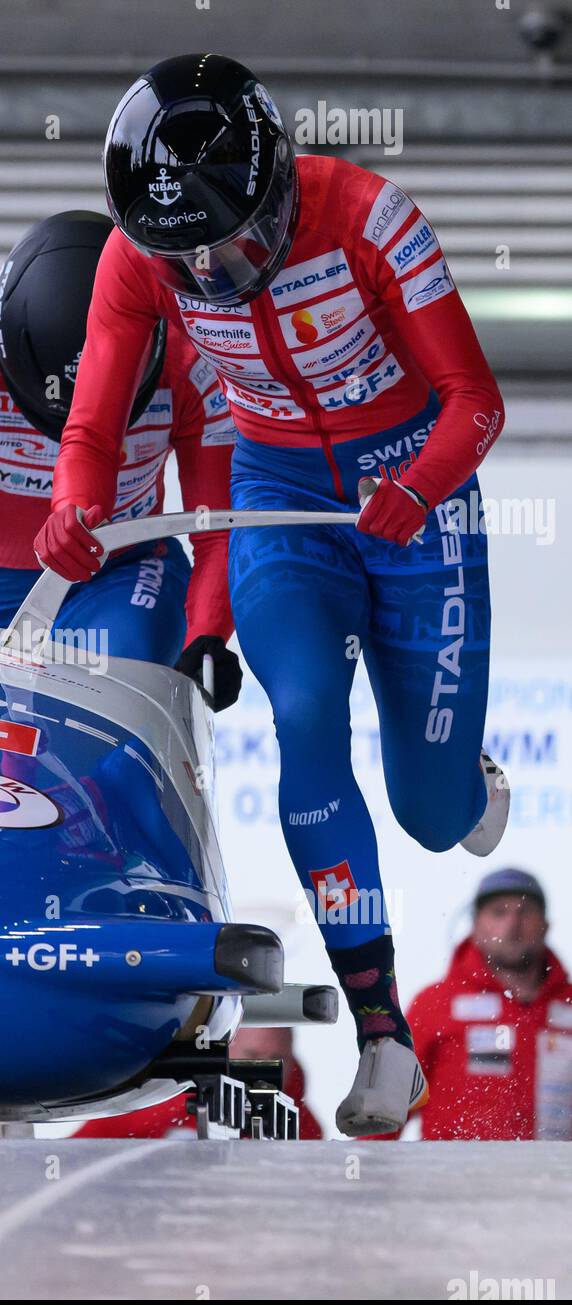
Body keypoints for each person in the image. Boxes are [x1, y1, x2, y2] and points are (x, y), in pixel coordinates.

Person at [35, 54, 511, 1136]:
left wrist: (421, 484)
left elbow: (473, 404)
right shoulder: (134, 264)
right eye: (184, 258)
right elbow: (94, 430)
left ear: (283, 188)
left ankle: (460, 777)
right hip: (281, 494)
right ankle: (382, 1035)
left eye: (238, 244)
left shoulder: (374, 219)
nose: (213, 275)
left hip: (413, 497)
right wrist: (71, 505)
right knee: (301, 720)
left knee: (434, 818)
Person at [0, 210, 243, 709]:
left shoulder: (192, 367)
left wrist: (207, 638)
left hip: (119, 572)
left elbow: (217, 527)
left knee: (109, 694)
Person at [402, 870, 572, 1140]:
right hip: (452, 1180)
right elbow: (387, 1107)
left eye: (525, 911)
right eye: (498, 912)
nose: (513, 923)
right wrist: (359, 1175)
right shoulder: (435, 1004)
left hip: (557, 1179)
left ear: (546, 925)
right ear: (476, 927)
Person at [74, 1026, 322, 1139]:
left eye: (276, 1059)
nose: (262, 1071)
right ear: (225, 1050)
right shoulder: (161, 1097)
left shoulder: (300, 1123)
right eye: (252, 1056)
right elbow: (84, 1155)